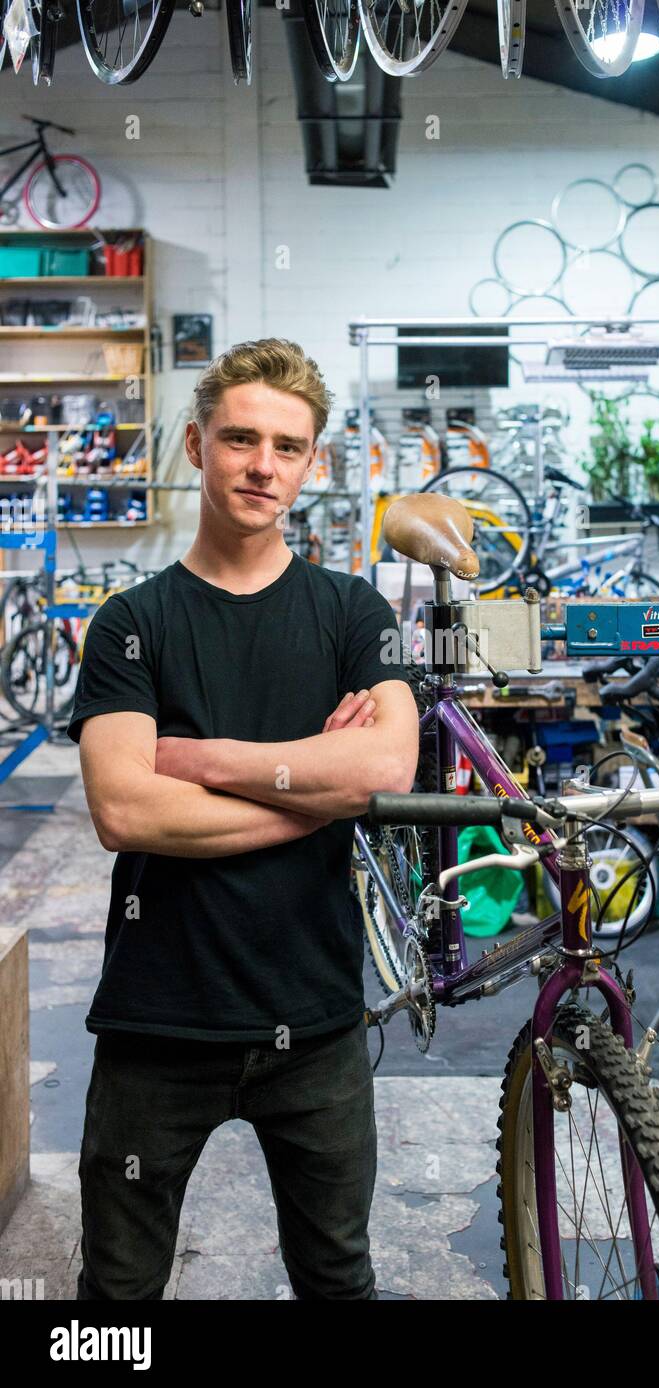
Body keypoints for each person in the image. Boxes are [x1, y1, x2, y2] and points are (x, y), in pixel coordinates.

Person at [67, 337, 419, 1300]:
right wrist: (316, 795)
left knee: (338, 1279)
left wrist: (206, 762)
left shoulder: (353, 614)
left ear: (314, 464)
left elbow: (387, 762)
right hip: (156, 1025)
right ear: (196, 444)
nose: (263, 465)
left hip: (313, 1026)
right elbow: (123, 805)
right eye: (240, 439)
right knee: (117, 1297)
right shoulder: (131, 622)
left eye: (288, 446)